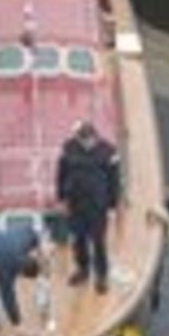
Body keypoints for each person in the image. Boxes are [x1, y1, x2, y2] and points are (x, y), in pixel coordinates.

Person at [56, 121, 120, 293]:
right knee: (79, 240)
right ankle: (83, 270)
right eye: (82, 140)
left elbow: (114, 181)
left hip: (97, 206)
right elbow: (61, 173)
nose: (85, 144)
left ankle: (101, 276)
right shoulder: (69, 148)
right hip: (76, 204)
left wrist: (113, 206)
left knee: (98, 242)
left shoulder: (108, 152)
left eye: (88, 140)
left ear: (95, 137)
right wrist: (61, 197)